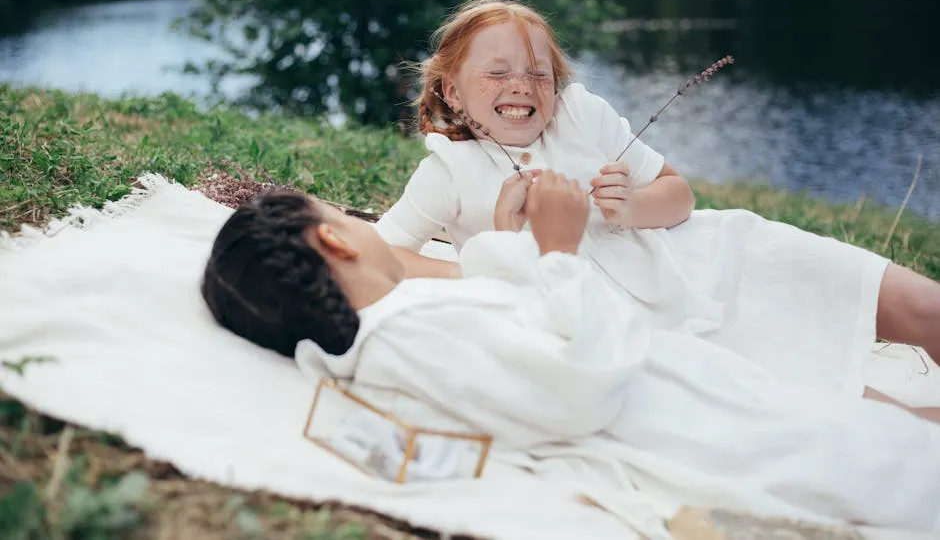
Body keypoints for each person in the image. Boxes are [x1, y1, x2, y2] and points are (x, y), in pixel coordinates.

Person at [200, 179, 940, 536]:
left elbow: (514, 337)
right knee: (882, 458)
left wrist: (511, 241)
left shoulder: (396, 333)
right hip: (698, 422)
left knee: (880, 432)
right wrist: (556, 249)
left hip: (696, 394)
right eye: (343, 218)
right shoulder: (404, 337)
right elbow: (574, 385)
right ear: (335, 240)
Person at [373, 0, 940, 397]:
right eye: (497, 73)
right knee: (856, 409)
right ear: (451, 88)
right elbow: (384, 251)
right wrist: (495, 257)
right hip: (631, 324)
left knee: (916, 304)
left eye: (539, 73)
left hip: (703, 259)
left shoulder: (580, 114)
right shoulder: (448, 171)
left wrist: (633, 204)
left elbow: (681, 194)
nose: (522, 85)